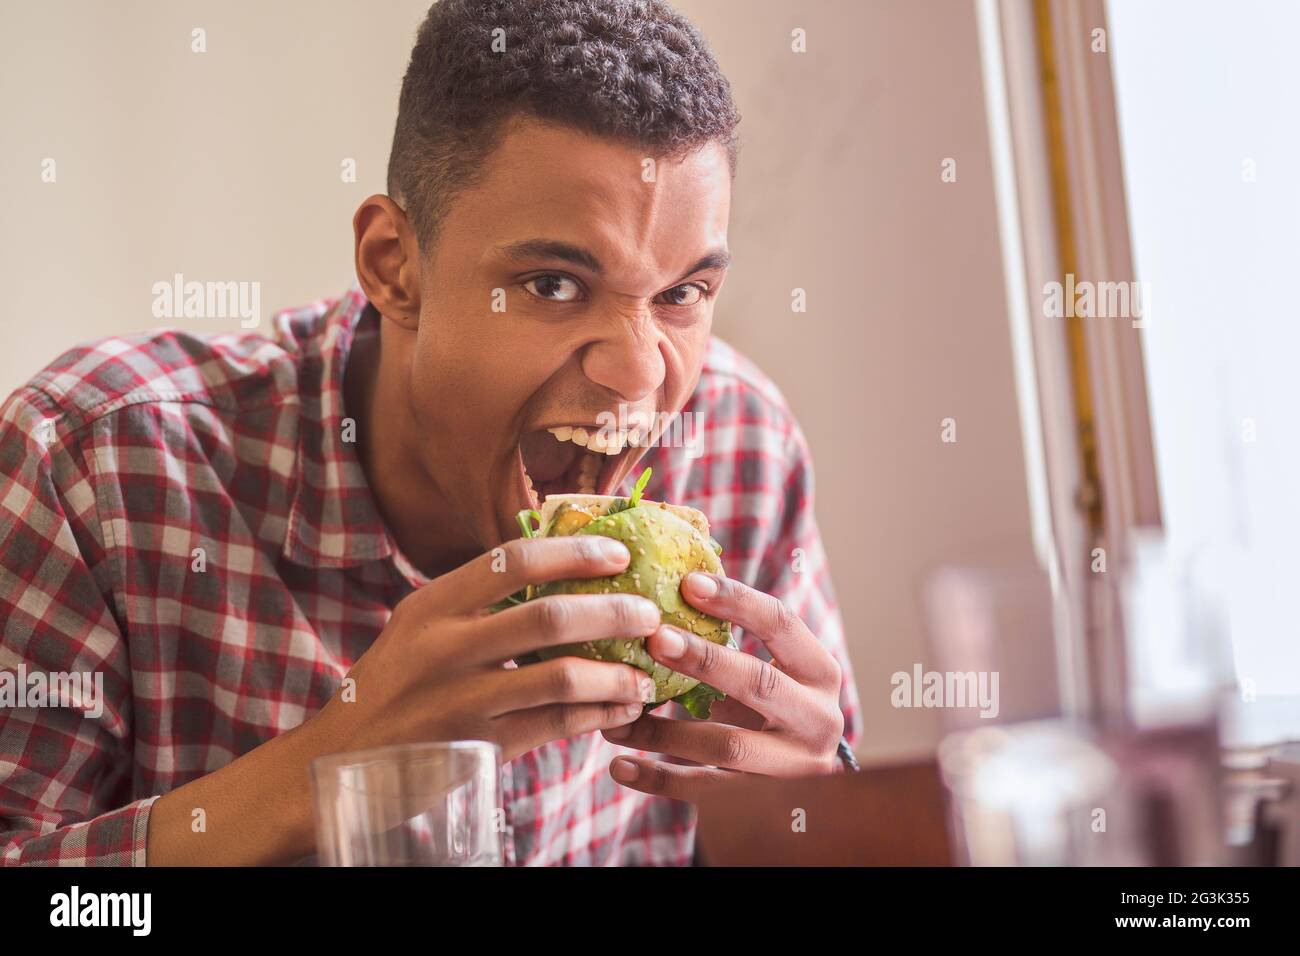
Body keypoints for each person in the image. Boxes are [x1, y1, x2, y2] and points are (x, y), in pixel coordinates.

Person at [0, 0, 859, 866]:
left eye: (680, 294)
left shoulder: (743, 448)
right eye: (554, 285)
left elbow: (797, 830)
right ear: (393, 266)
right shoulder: (91, 469)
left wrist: (810, 814)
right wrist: (323, 767)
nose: (640, 374)